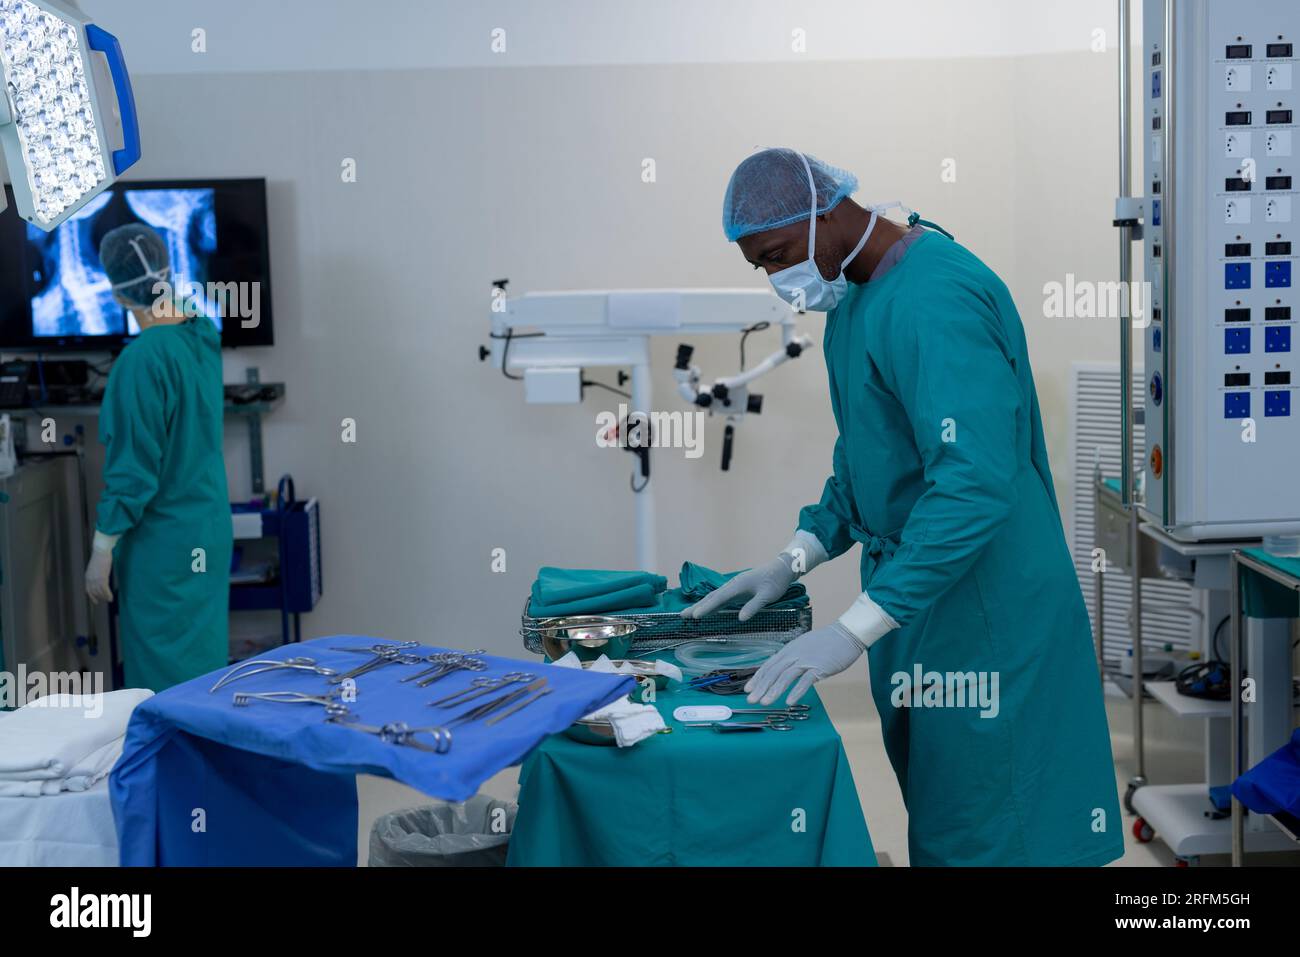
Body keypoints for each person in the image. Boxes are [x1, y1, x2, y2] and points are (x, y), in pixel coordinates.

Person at [685, 148, 1123, 867]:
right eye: (760, 266)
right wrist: (797, 554)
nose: (776, 279)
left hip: (986, 608)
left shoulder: (935, 298)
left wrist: (854, 628)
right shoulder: (854, 299)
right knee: (947, 811)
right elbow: (865, 458)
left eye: (776, 255)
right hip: (921, 604)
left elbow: (973, 485)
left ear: (824, 213)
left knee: (997, 827)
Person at [84, 224, 231, 692]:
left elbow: (132, 473)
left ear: (117, 293)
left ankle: (175, 766)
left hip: (163, 549)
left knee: (167, 686)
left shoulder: (141, 361)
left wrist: (102, 550)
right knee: (204, 670)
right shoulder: (201, 335)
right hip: (206, 532)